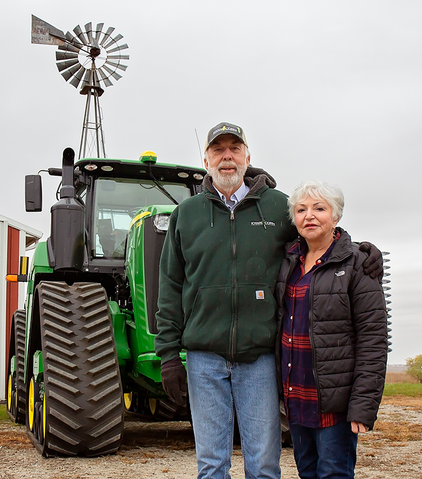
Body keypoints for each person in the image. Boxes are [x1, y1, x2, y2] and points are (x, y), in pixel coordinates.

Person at [154, 121, 384, 479]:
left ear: (248, 156)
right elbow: (169, 286)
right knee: (211, 465)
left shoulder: (278, 208)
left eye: (234, 148)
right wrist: (168, 355)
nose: (226, 157)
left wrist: (359, 252)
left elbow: (319, 237)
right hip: (204, 359)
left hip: (260, 358)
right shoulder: (187, 214)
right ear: (206, 159)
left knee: (262, 464)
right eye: (218, 150)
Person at [276, 181, 388, 479]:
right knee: (307, 473)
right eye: (301, 210)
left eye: (319, 208)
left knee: (333, 474)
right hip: (296, 399)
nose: (309, 216)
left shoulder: (358, 265)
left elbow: (373, 339)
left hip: (334, 404)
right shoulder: (288, 263)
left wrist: (364, 405)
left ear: (336, 216)